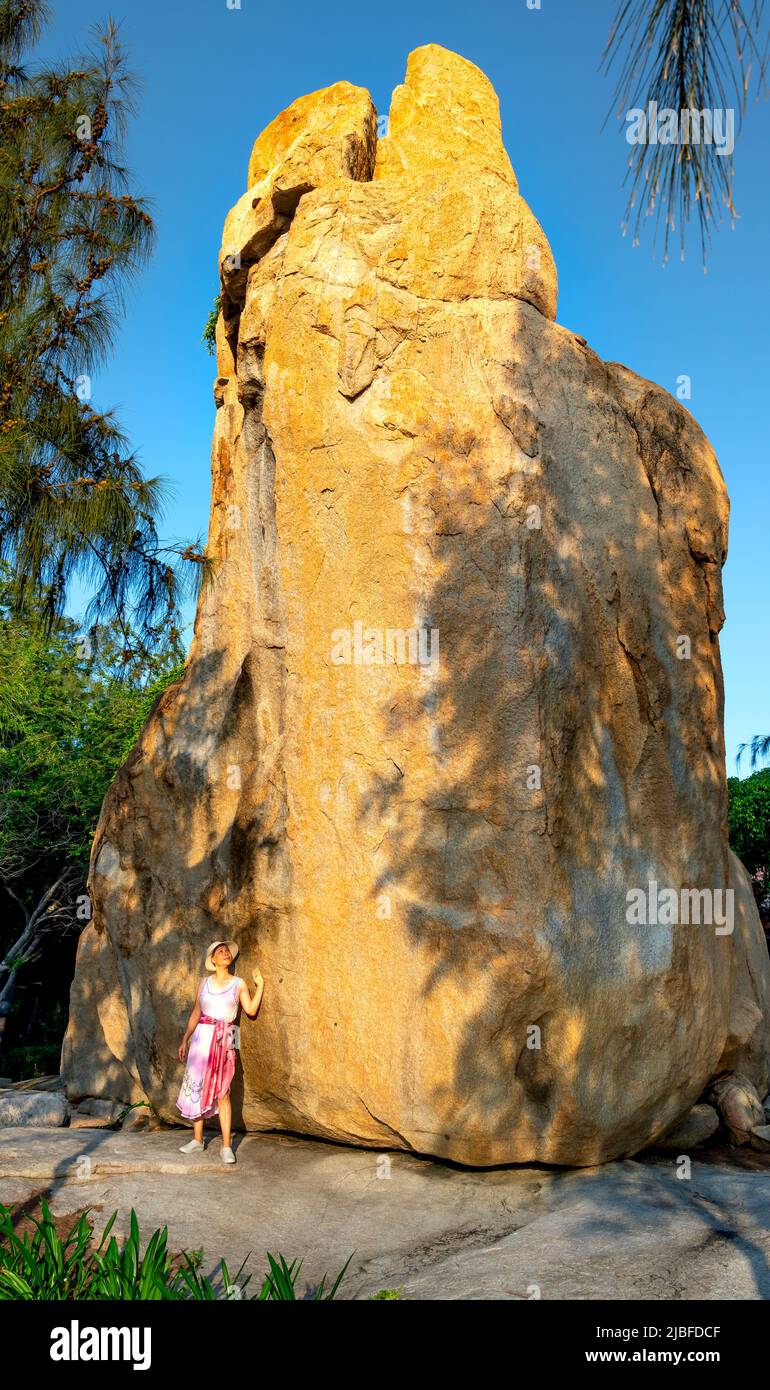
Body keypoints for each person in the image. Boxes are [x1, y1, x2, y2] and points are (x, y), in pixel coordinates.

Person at [176, 939, 263, 1164]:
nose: (224, 953)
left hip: (226, 1037)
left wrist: (260, 985)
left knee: (223, 1091)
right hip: (201, 1038)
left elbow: (251, 1010)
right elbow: (196, 1012)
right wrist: (185, 1038)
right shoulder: (204, 983)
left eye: (226, 951)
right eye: (219, 951)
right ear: (213, 960)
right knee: (196, 1085)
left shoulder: (238, 983)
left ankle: (226, 1146)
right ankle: (197, 1140)